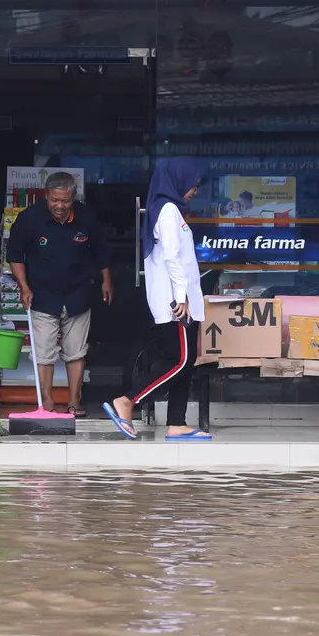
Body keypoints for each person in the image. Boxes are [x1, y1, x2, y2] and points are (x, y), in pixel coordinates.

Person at [102, 158, 210, 441]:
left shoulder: (169, 211)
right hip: (177, 304)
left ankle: (177, 422)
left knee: (186, 363)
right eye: (193, 184)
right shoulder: (168, 211)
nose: (194, 190)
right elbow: (172, 258)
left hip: (184, 302)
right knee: (179, 361)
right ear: (178, 180)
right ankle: (128, 400)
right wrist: (181, 297)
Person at [7, 172, 112, 416]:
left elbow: (101, 251)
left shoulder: (87, 217)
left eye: (65, 201)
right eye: (55, 200)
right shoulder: (30, 219)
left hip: (78, 293)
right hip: (41, 295)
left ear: (73, 198)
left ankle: (74, 402)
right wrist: (24, 286)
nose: (60, 206)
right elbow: (14, 256)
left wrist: (107, 281)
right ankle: (47, 404)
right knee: (44, 354)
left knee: (76, 352)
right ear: (47, 196)